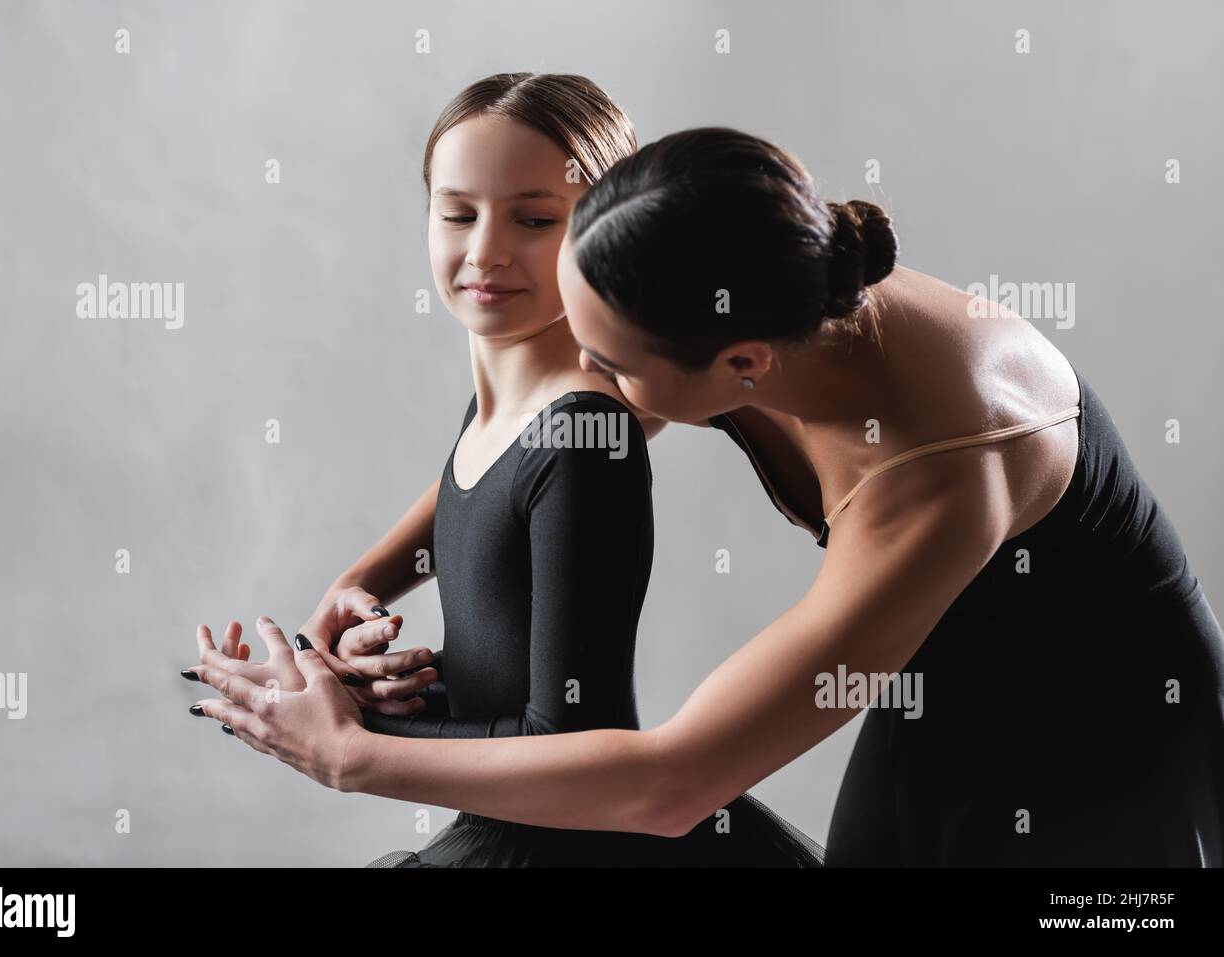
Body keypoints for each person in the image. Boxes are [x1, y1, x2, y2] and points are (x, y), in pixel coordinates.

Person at [189, 126, 1224, 866]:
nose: (580, 380)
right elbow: (555, 433)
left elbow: (670, 786)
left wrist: (350, 759)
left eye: (607, 361)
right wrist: (370, 576)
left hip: (1109, 740)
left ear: (741, 365)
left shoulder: (942, 472)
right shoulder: (743, 268)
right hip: (942, 677)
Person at [190, 81, 822, 867]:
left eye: (533, 220)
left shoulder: (584, 439)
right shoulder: (493, 419)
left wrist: (341, 731)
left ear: (604, 231)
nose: (486, 250)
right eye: (457, 213)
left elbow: (564, 740)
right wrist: (341, 688)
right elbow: (496, 689)